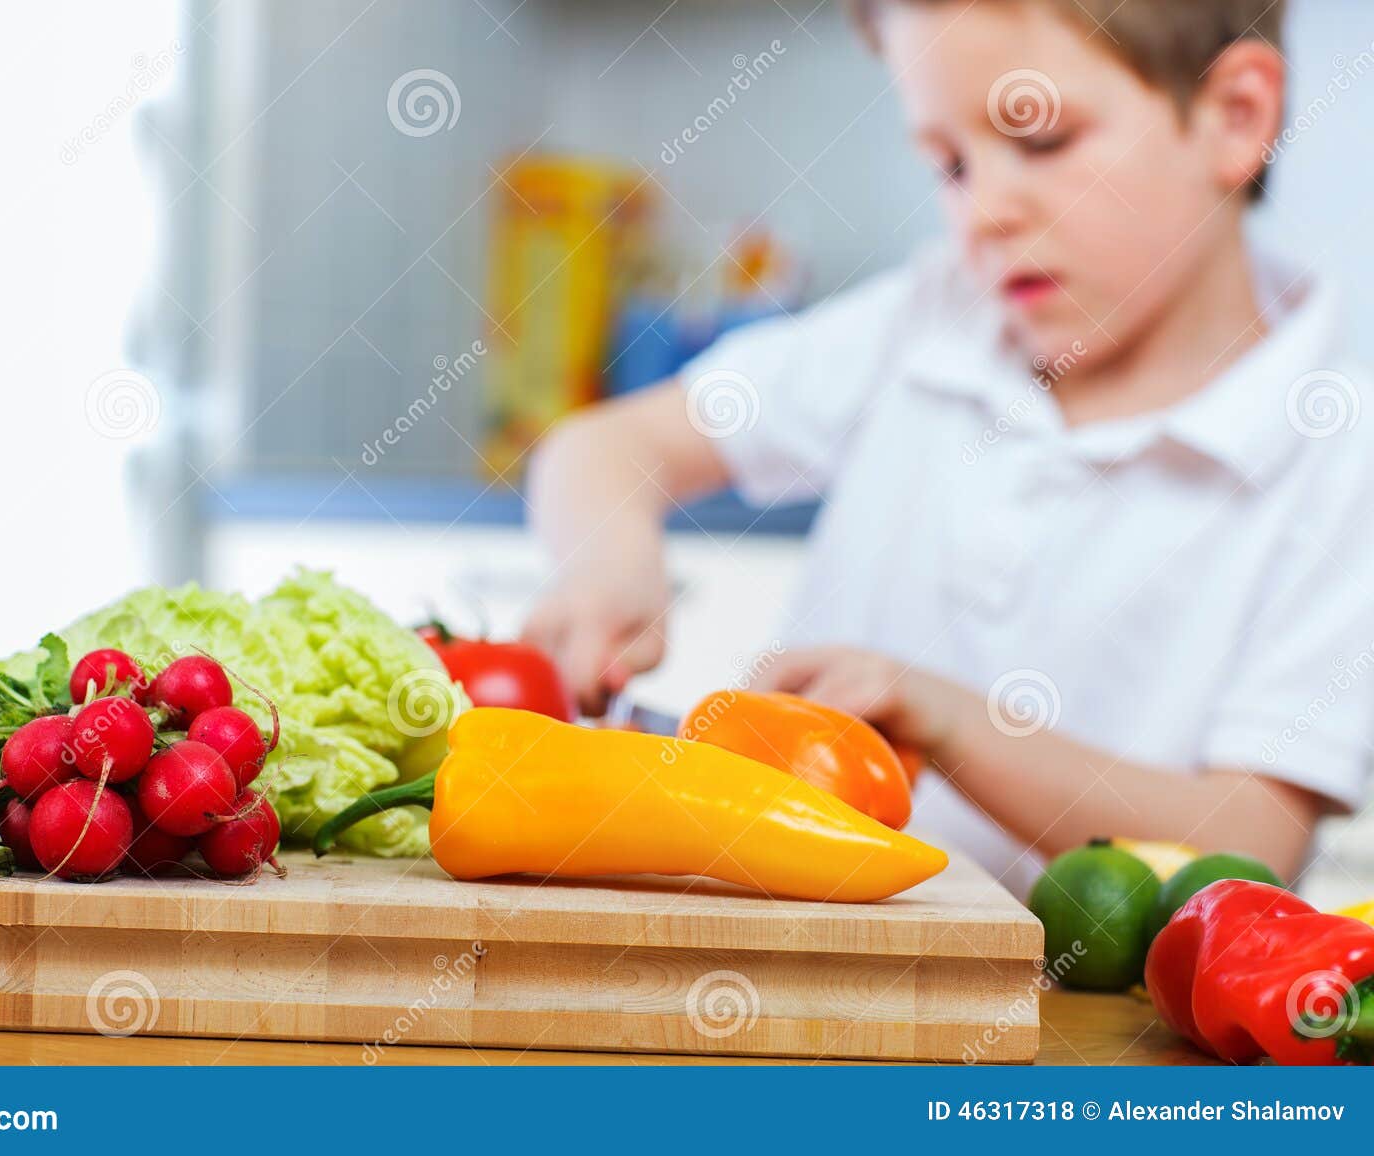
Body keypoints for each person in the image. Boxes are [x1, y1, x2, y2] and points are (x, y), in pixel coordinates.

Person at [522, 0, 1374, 891]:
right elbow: (609, 446)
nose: (988, 212)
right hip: (811, 974)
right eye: (951, 165)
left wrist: (952, 723)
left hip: (1089, 1027)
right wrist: (607, 567)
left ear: (1235, 117)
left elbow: (1250, 845)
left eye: (1043, 140)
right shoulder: (927, 321)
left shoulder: (1335, 456)